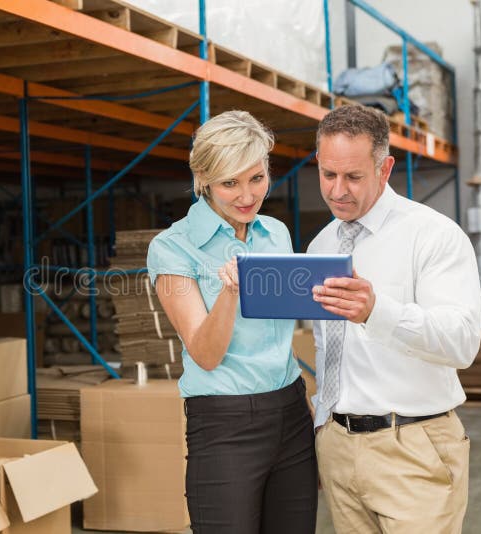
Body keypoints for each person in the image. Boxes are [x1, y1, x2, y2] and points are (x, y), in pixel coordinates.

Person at [307, 104, 481, 533]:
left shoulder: (433, 236)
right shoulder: (319, 246)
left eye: (353, 176)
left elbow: (462, 342)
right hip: (336, 447)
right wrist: (322, 432)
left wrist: (376, 311)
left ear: (385, 168)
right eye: (328, 174)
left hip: (412, 446)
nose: (337, 190)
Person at [146, 110, 317, 534]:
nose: (246, 195)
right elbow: (204, 354)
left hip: (291, 411)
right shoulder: (172, 248)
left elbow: (278, 333)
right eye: (230, 183)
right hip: (225, 423)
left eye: (256, 178)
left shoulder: (275, 233)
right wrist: (229, 293)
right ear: (203, 178)